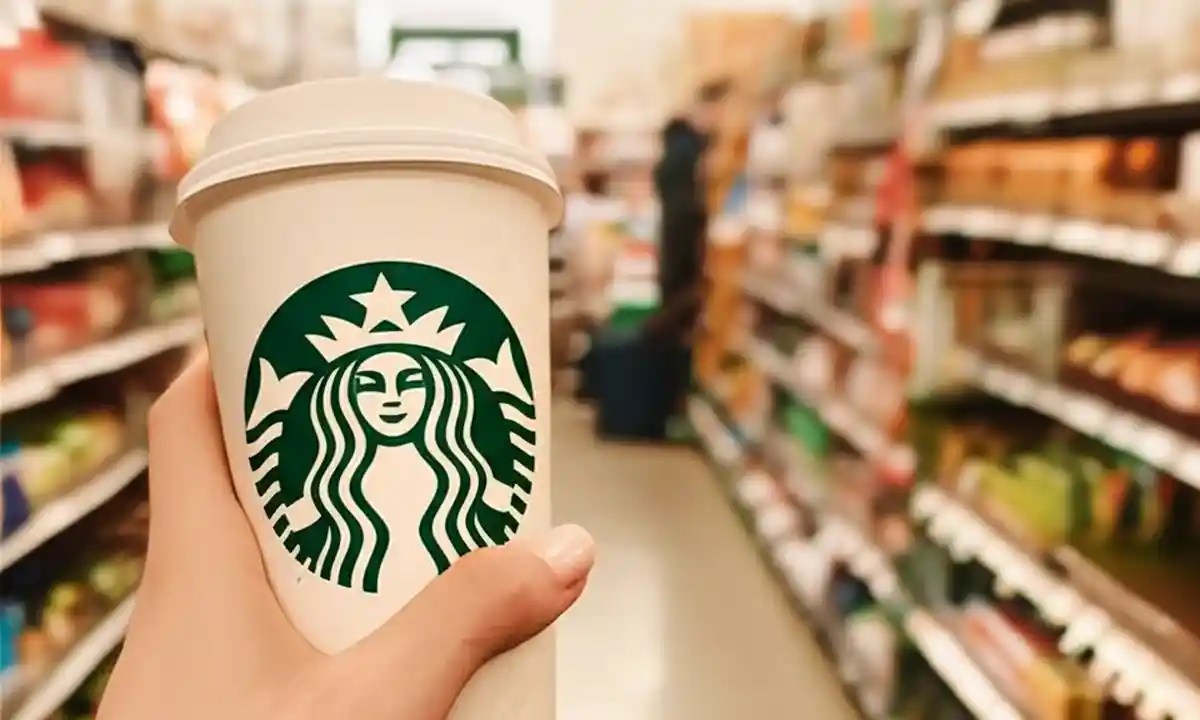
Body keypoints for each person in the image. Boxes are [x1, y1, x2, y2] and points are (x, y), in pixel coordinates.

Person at [98, 352, 596, 719]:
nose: (392, 398)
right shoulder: (327, 499)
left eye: (411, 382)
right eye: (370, 384)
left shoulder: (460, 484)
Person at [648, 79, 730, 344]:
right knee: (678, 320)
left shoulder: (681, 144)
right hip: (684, 248)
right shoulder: (687, 150)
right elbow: (685, 207)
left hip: (677, 248)